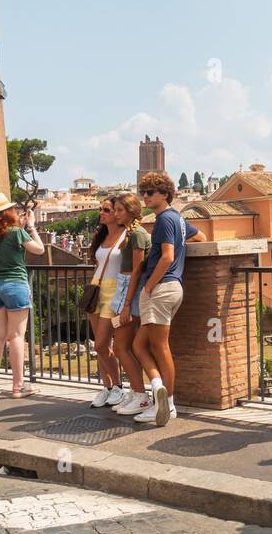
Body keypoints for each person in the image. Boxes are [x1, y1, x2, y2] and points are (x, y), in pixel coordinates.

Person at [120, 172, 206, 426]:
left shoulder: (165, 220)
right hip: (171, 286)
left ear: (165, 195)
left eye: (150, 193)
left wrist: (149, 286)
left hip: (161, 287)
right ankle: (158, 388)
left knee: (160, 347)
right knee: (139, 345)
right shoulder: (177, 220)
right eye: (143, 192)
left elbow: (167, 256)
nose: (144, 197)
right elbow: (199, 238)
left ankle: (166, 403)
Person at [0, 195, 46, 398]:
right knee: (16, 336)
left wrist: (21, 227)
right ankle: (18, 387)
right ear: (6, 212)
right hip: (15, 285)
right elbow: (39, 249)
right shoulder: (17, 233)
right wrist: (31, 227)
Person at [108, 193, 152, 415]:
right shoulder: (131, 233)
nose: (116, 214)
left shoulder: (137, 235)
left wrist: (126, 305)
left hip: (129, 291)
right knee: (122, 347)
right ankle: (137, 393)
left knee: (121, 347)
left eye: (119, 210)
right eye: (115, 210)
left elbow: (136, 271)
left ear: (132, 211)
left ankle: (142, 396)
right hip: (124, 288)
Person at [87, 198, 127, 409]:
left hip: (114, 291)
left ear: (118, 214)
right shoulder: (102, 236)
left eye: (106, 210)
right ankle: (108, 387)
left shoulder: (127, 235)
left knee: (102, 344)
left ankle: (119, 387)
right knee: (100, 346)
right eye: (101, 209)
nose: (101, 213)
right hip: (96, 289)